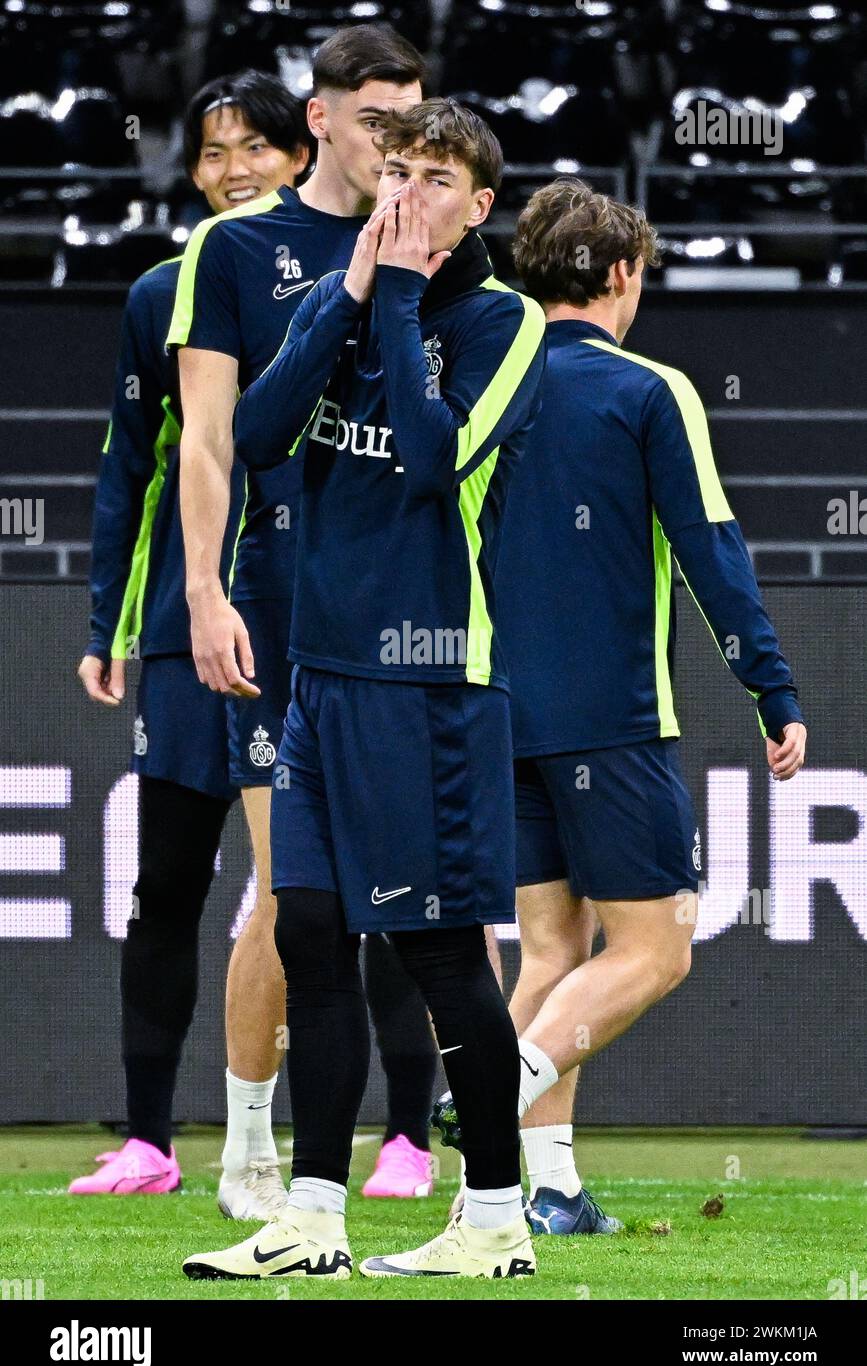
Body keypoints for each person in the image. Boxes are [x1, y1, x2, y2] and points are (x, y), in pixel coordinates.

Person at [181, 97, 546, 1282]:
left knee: (441, 957)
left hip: (431, 679)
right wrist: (347, 294)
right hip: (321, 679)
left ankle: (495, 1218)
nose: (407, 195)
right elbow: (263, 437)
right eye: (396, 170)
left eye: (436, 179)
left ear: (479, 205)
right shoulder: (330, 297)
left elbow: (438, 460)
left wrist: (393, 295)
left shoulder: (506, 322)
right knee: (312, 936)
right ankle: (314, 1217)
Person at [437, 177, 807, 1235]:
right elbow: (712, 554)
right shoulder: (650, 390)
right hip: (612, 714)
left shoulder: (485, 388)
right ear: (620, 274)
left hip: (499, 706)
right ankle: (492, 1105)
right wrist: (770, 684)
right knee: (661, 948)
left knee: (554, 951)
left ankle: (545, 1188)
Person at [168, 26, 451, 1209]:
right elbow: (208, 435)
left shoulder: (438, 238)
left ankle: (415, 1144)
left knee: (412, 891)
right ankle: (245, 1145)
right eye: (379, 118)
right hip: (276, 606)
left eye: (414, 119)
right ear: (320, 117)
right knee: (291, 887)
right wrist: (202, 588)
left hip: (403, 611)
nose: (400, 141)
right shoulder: (236, 248)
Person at [73, 71, 310, 1208]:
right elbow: (131, 466)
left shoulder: (349, 279)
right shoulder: (160, 291)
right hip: (182, 625)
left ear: (298, 157)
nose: (230, 171)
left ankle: (402, 1134)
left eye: (251, 150)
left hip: (315, 621)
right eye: (213, 153)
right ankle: (152, 1139)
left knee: (314, 886)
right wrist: (105, 620)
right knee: (167, 883)